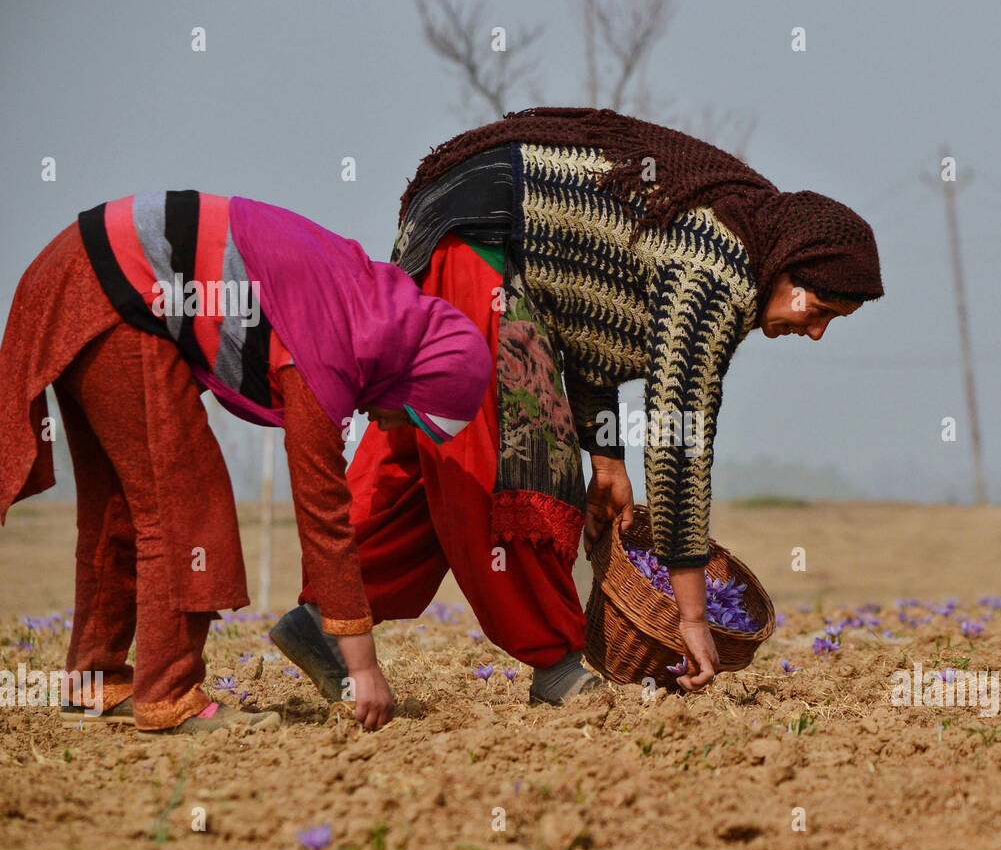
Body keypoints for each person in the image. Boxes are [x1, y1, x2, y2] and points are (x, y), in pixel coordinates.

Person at [271, 107, 883, 706]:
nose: (817, 332)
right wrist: (692, 614)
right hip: (483, 244)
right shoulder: (717, 274)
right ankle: (554, 660)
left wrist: (608, 462)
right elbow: (678, 440)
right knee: (518, 452)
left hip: (464, 230)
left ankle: (328, 614)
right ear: (790, 269)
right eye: (819, 310)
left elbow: (589, 329)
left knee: (433, 447)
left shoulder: (738, 237)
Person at [0, 191, 492, 732]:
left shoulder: (364, 303)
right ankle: (169, 697)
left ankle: (94, 682)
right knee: (186, 502)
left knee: (120, 504)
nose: (391, 425)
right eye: (411, 416)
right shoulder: (331, 342)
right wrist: (362, 667)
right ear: (415, 377)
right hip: (115, 281)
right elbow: (323, 514)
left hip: (85, 270)